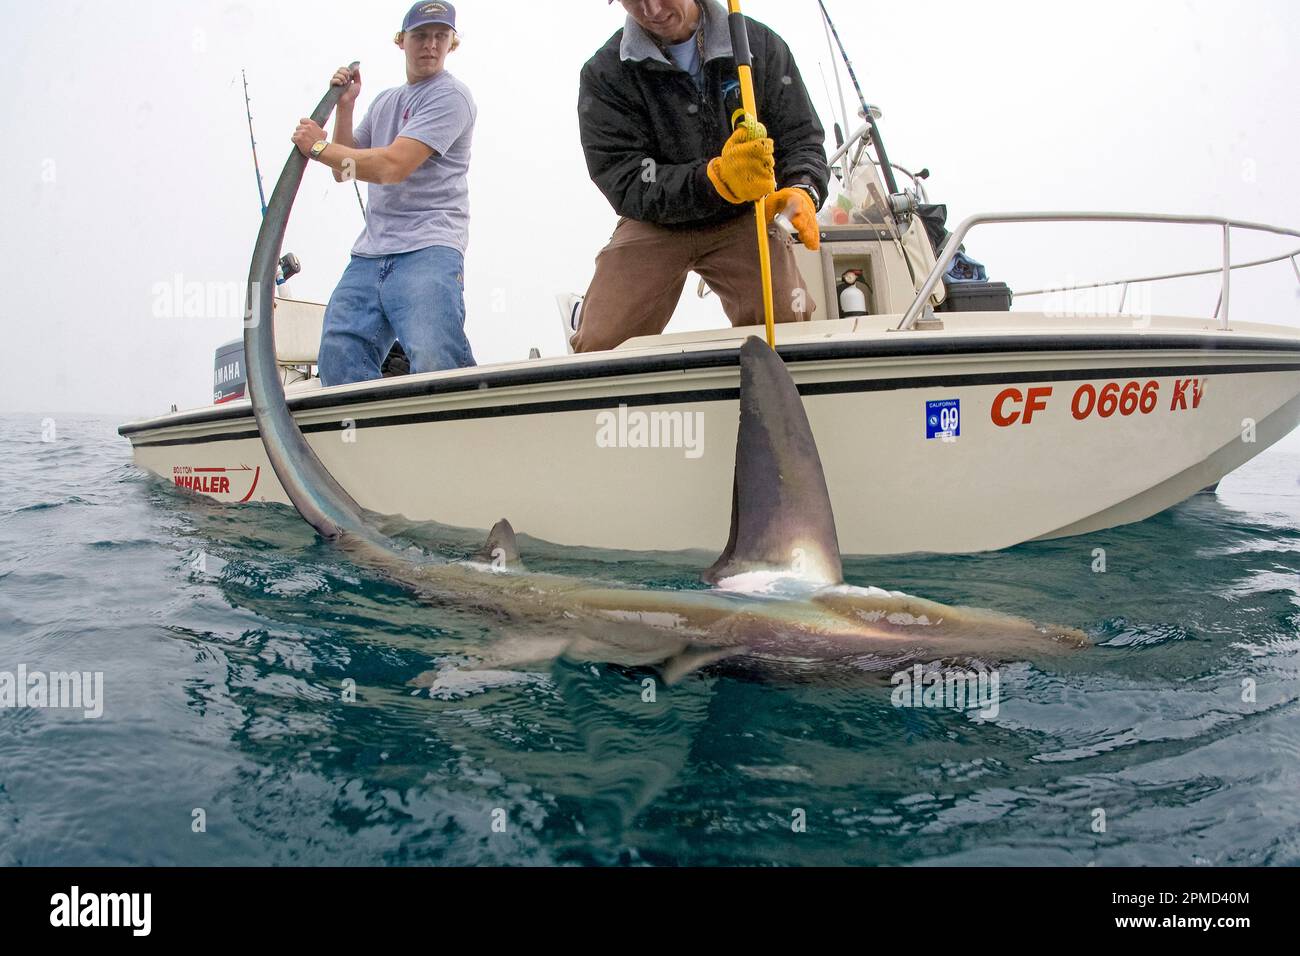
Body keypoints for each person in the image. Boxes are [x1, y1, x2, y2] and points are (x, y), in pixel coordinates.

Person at [568, 0, 830, 353]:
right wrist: (715, 181)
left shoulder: (758, 45)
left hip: (744, 214)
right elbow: (624, 178)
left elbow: (801, 139)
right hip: (656, 220)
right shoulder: (606, 73)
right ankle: (586, 319)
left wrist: (802, 189)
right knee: (601, 342)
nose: (652, 9)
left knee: (784, 324)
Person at [291, 2, 477, 386]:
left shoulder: (451, 97)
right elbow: (347, 169)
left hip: (429, 246)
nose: (430, 45)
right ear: (401, 41)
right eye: (421, 36)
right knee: (339, 353)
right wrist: (346, 107)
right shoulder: (385, 102)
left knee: (435, 356)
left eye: (441, 37)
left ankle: (470, 436)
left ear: (452, 44)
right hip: (370, 254)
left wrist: (318, 147)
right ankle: (367, 440)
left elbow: (392, 166)